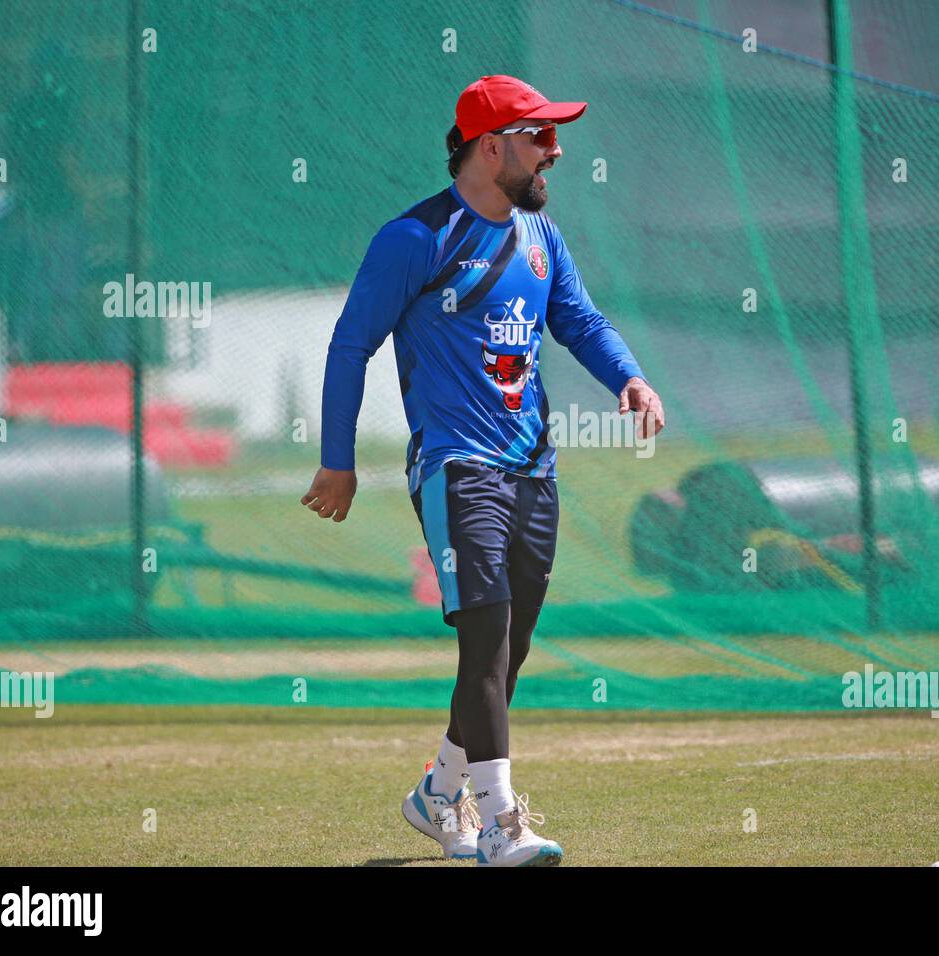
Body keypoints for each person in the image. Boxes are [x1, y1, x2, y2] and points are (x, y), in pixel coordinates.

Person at [300, 75, 665, 867]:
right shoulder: (413, 239)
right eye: (542, 137)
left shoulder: (544, 240)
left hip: (533, 468)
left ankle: (437, 792)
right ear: (491, 146)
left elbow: (581, 320)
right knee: (487, 637)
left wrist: (628, 376)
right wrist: (338, 462)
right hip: (457, 467)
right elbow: (349, 345)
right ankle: (502, 826)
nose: (557, 153)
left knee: (511, 647)